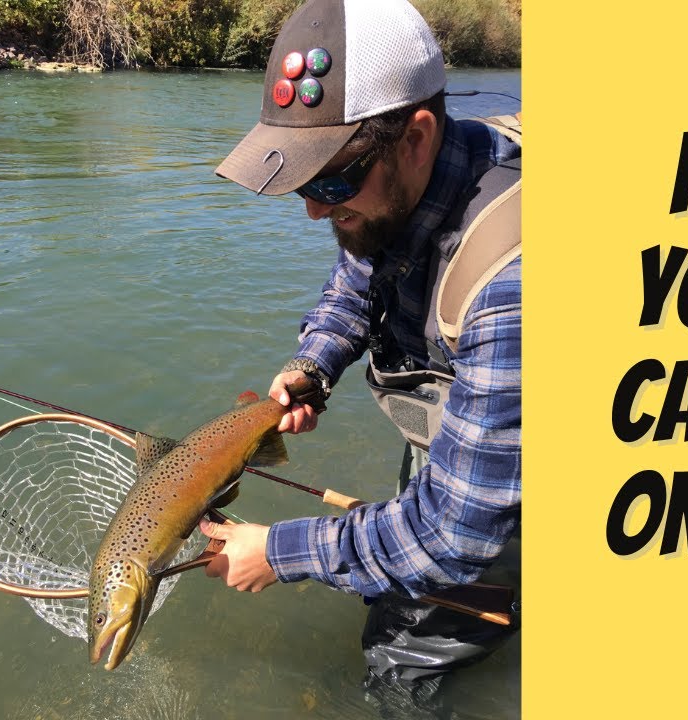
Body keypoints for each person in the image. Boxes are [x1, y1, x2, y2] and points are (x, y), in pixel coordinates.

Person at [198, 0, 521, 713]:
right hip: (463, 454)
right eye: (303, 182)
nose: (315, 209)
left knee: (395, 668)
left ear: (416, 136)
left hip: (502, 495)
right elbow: (358, 279)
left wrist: (279, 553)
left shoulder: (514, 292)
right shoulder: (404, 186)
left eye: (331, 180)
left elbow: (454, 531)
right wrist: (314, 366)